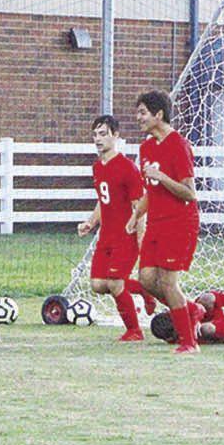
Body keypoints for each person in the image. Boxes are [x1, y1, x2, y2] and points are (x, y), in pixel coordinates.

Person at [131, 90, 201, 354]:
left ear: (158, 114)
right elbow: (150, 191)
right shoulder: (146, 147)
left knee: (169, 282)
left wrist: (162, 176)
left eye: (142, 113)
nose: (138, 118)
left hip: (179, 221)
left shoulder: (178, 145)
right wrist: (136, 215)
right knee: (147, 280)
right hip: (156, 223)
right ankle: (190, 309)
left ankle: (189, 342)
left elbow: (189, 192)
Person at [77, 114, 156, 341]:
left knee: (114, 282)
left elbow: (139, 206)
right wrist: (91, 222)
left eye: (103, 134)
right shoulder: (98, 167)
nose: (98, 139)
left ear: (116, 136)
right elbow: (104, 200)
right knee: (98, 285)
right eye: (95, 135)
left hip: (125, 236)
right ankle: (143, 290)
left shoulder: (127, 168)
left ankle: (134, 330)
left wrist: (140, 236)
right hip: (106, 236)